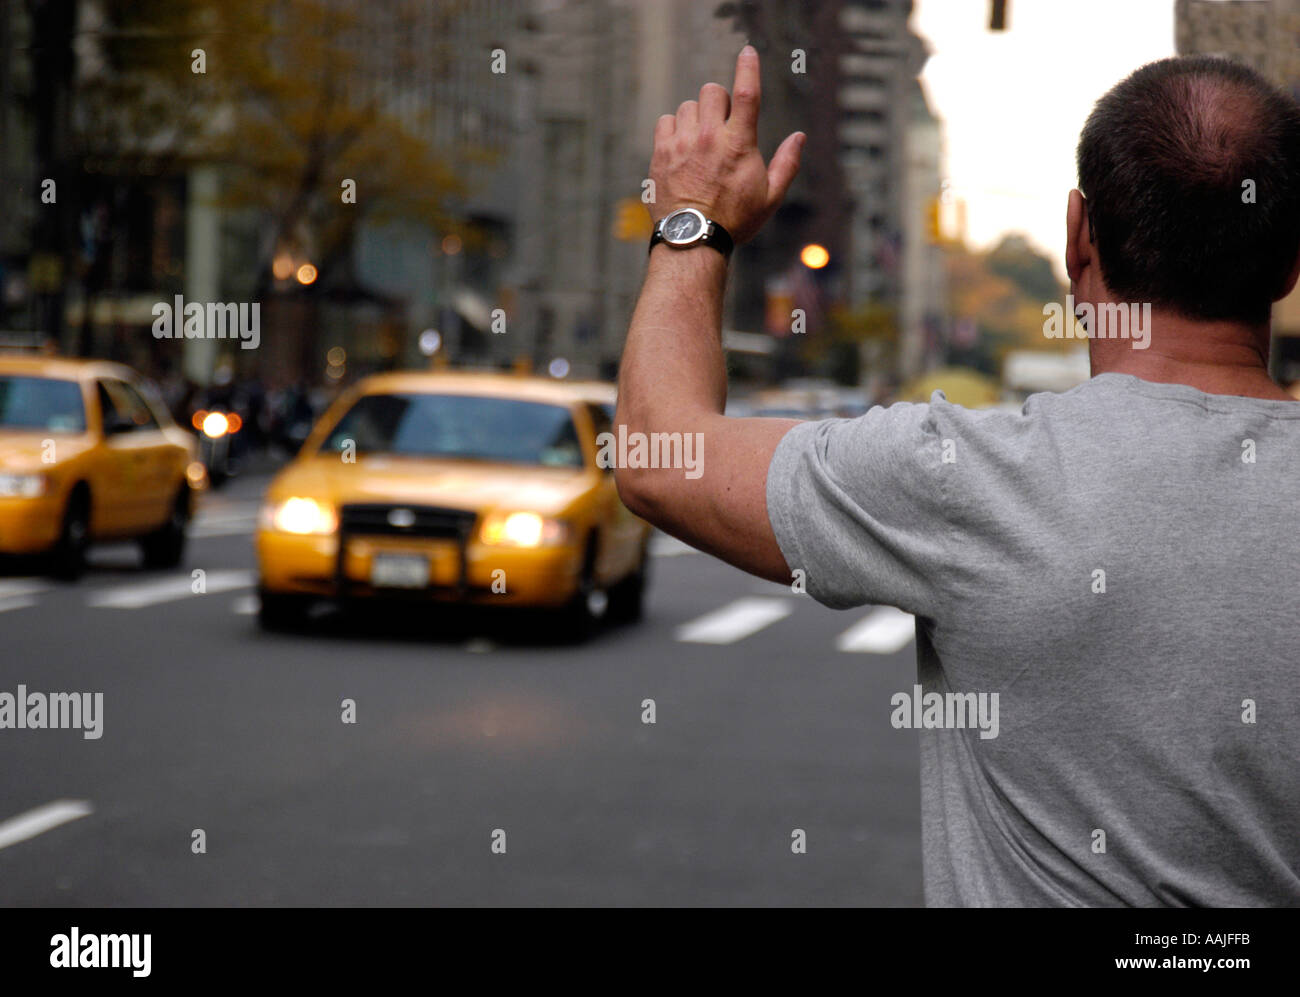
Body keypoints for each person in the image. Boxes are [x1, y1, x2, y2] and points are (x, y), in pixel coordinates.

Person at [615, 47, 1300, 907]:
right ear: (1288, 263)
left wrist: (693, 221)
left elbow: (654, 451)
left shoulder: (968, 477)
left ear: (1077, 239)